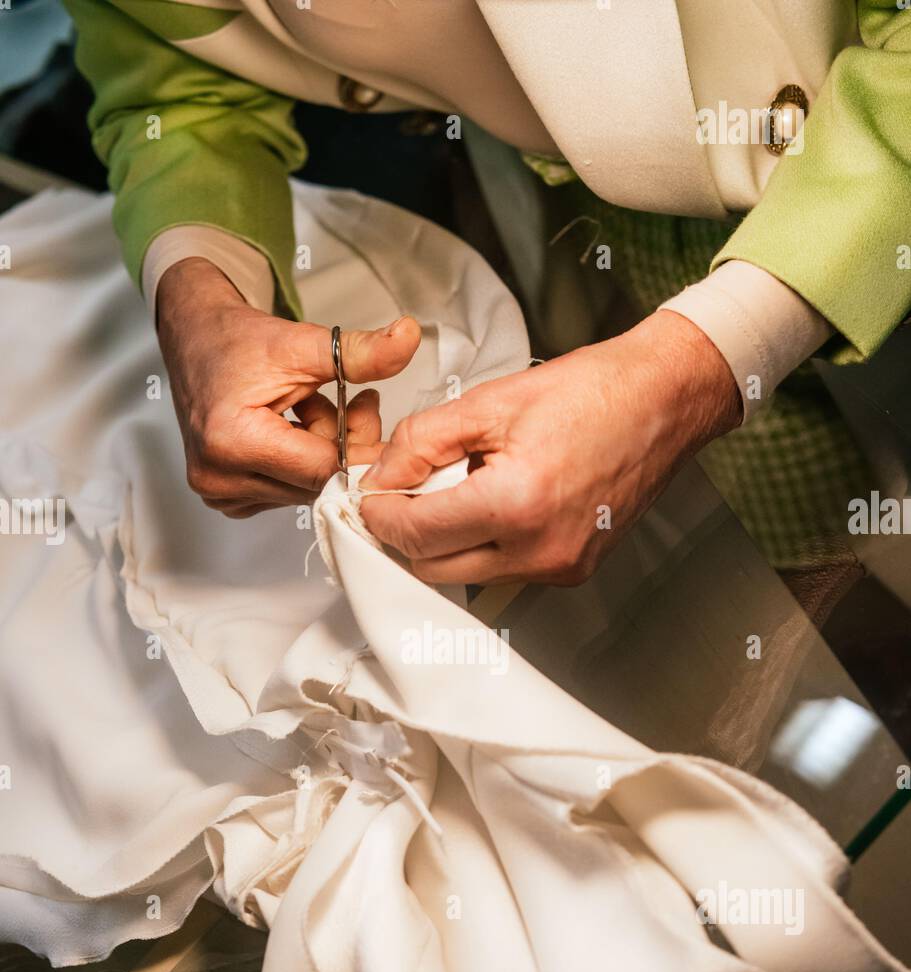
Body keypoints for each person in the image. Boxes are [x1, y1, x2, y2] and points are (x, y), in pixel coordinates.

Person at [63, 0, 911, 583]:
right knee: (803, 544)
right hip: (613, 211)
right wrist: (199, 297)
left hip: (882, 203)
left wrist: (710, 356)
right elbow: (174, 94)